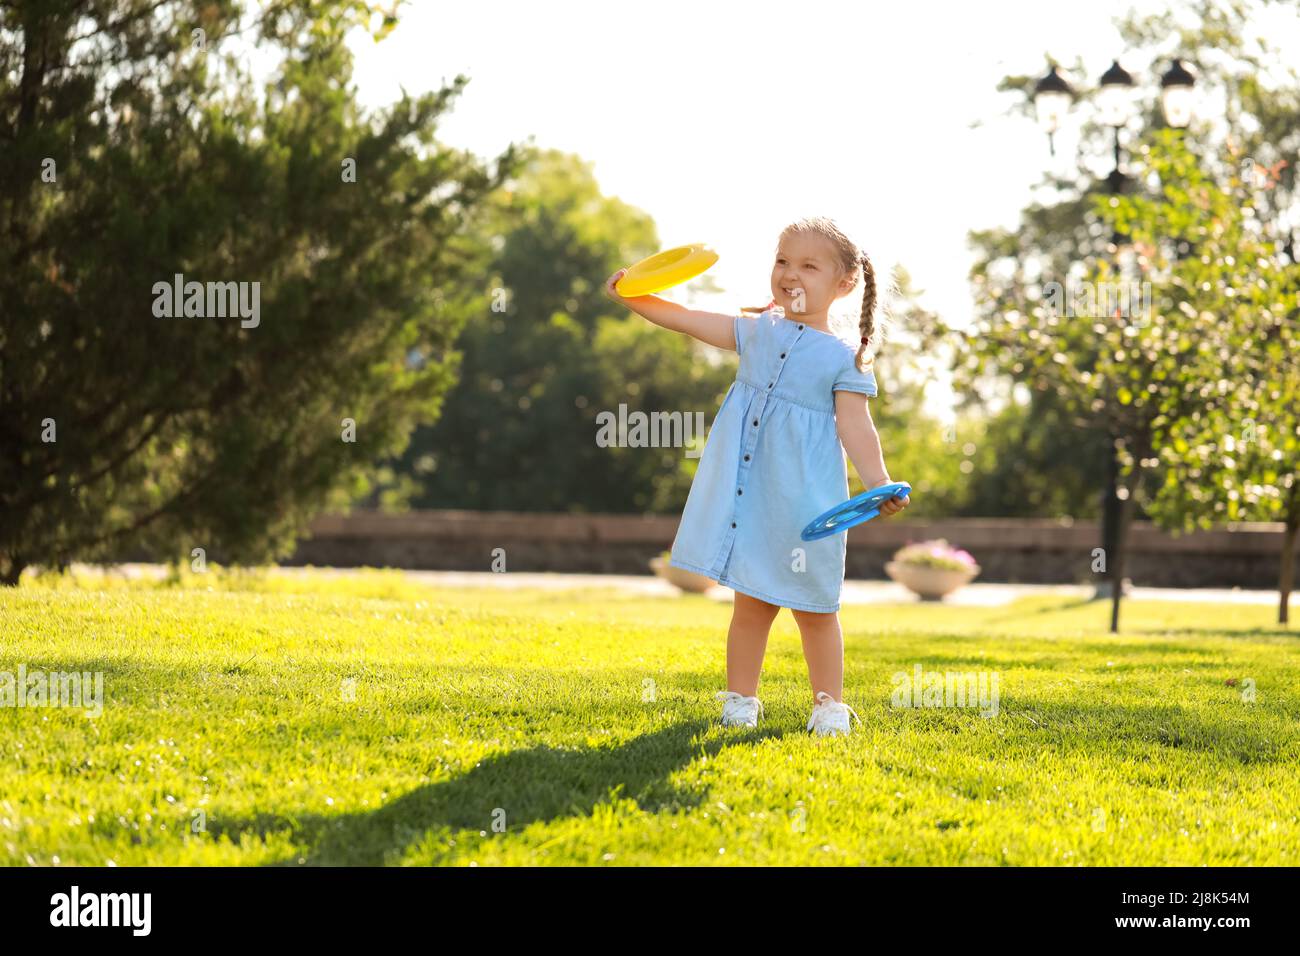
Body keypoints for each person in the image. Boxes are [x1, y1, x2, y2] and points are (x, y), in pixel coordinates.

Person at [603, 217, 909, 736]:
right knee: (751, 603)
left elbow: (856, 425)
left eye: (808, 265)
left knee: (815, 606)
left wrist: (878, 482)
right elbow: (686, 319)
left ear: (845, 283)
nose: (790, 273)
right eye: (782, 261)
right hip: (753, 498)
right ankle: (740, 701)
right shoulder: (757, 331)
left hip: (806, 500)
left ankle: (828, 706)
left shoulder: (844, 356)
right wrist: (632, 295)